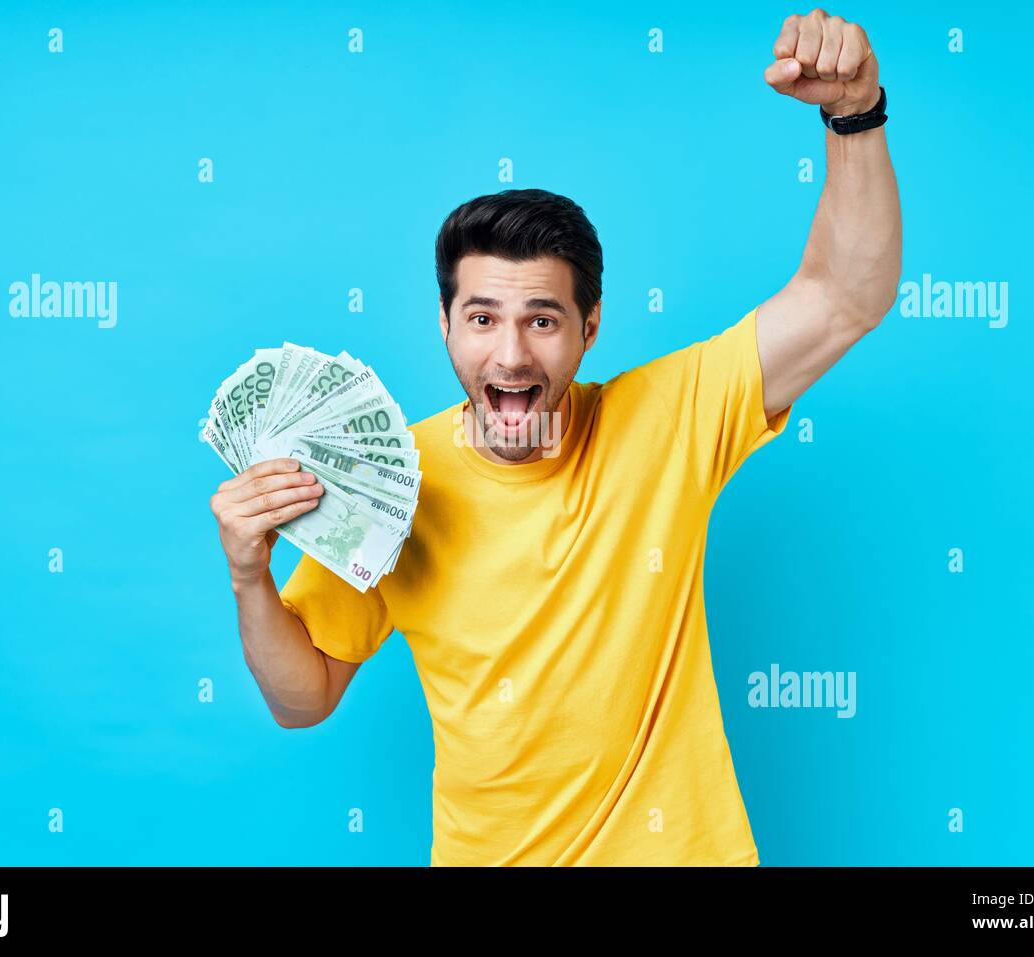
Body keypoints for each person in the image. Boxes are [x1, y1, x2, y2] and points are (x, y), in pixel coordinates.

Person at [209, 8, 901, 865]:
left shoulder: (669, 416)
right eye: (482, 318)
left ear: (590, 326)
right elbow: (302, 698)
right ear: (445, 325)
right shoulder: (393, 482)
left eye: (542, 319)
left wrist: (856, 115)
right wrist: (248, 575)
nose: (510, 353)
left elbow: (846, 296)